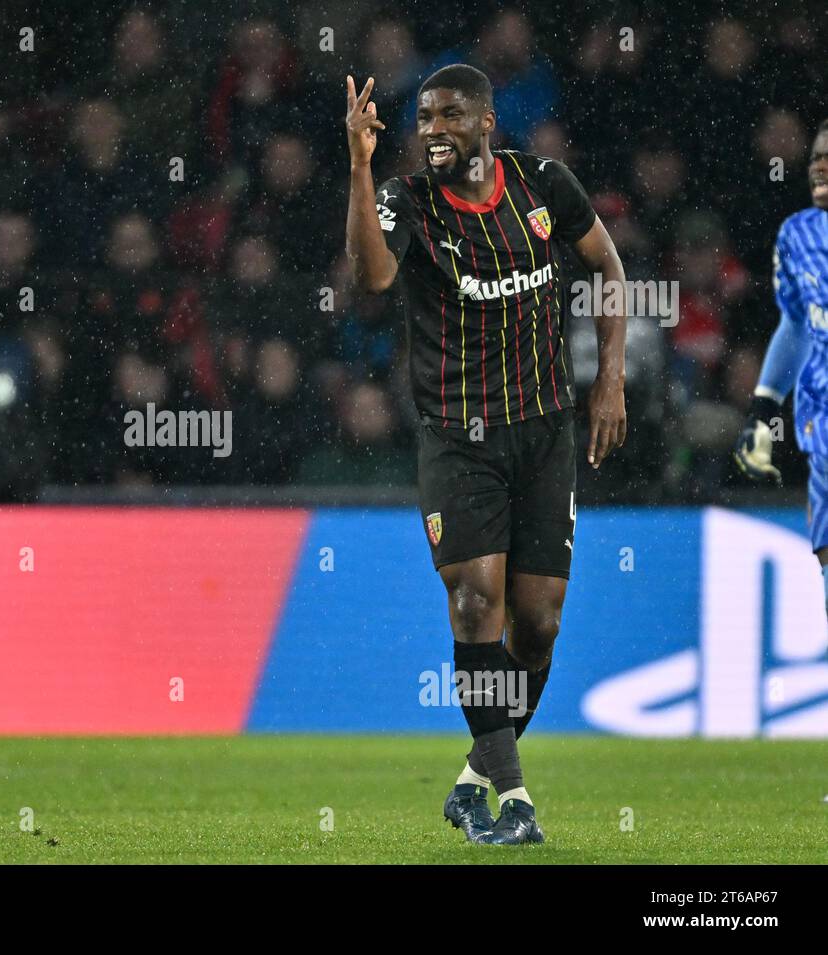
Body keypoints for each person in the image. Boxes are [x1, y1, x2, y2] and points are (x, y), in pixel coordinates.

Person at [343, 64, 627, 844]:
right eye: (424, 116)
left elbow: (607, 266)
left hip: (545, 431)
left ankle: (473, 781)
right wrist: (360, 167)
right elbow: (371, 276)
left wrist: (609, 379)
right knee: (476, 600)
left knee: (537, 624)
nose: (432, 128)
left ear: (487, 125)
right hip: (459, 437)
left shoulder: (543, 187)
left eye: (449, 115)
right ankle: (515, 801)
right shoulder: (408, 200)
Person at [735, 121, 828, 604]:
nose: (819, 164)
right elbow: (796, 325)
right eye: (815, 155)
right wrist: (765, 405)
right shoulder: (798, 236)